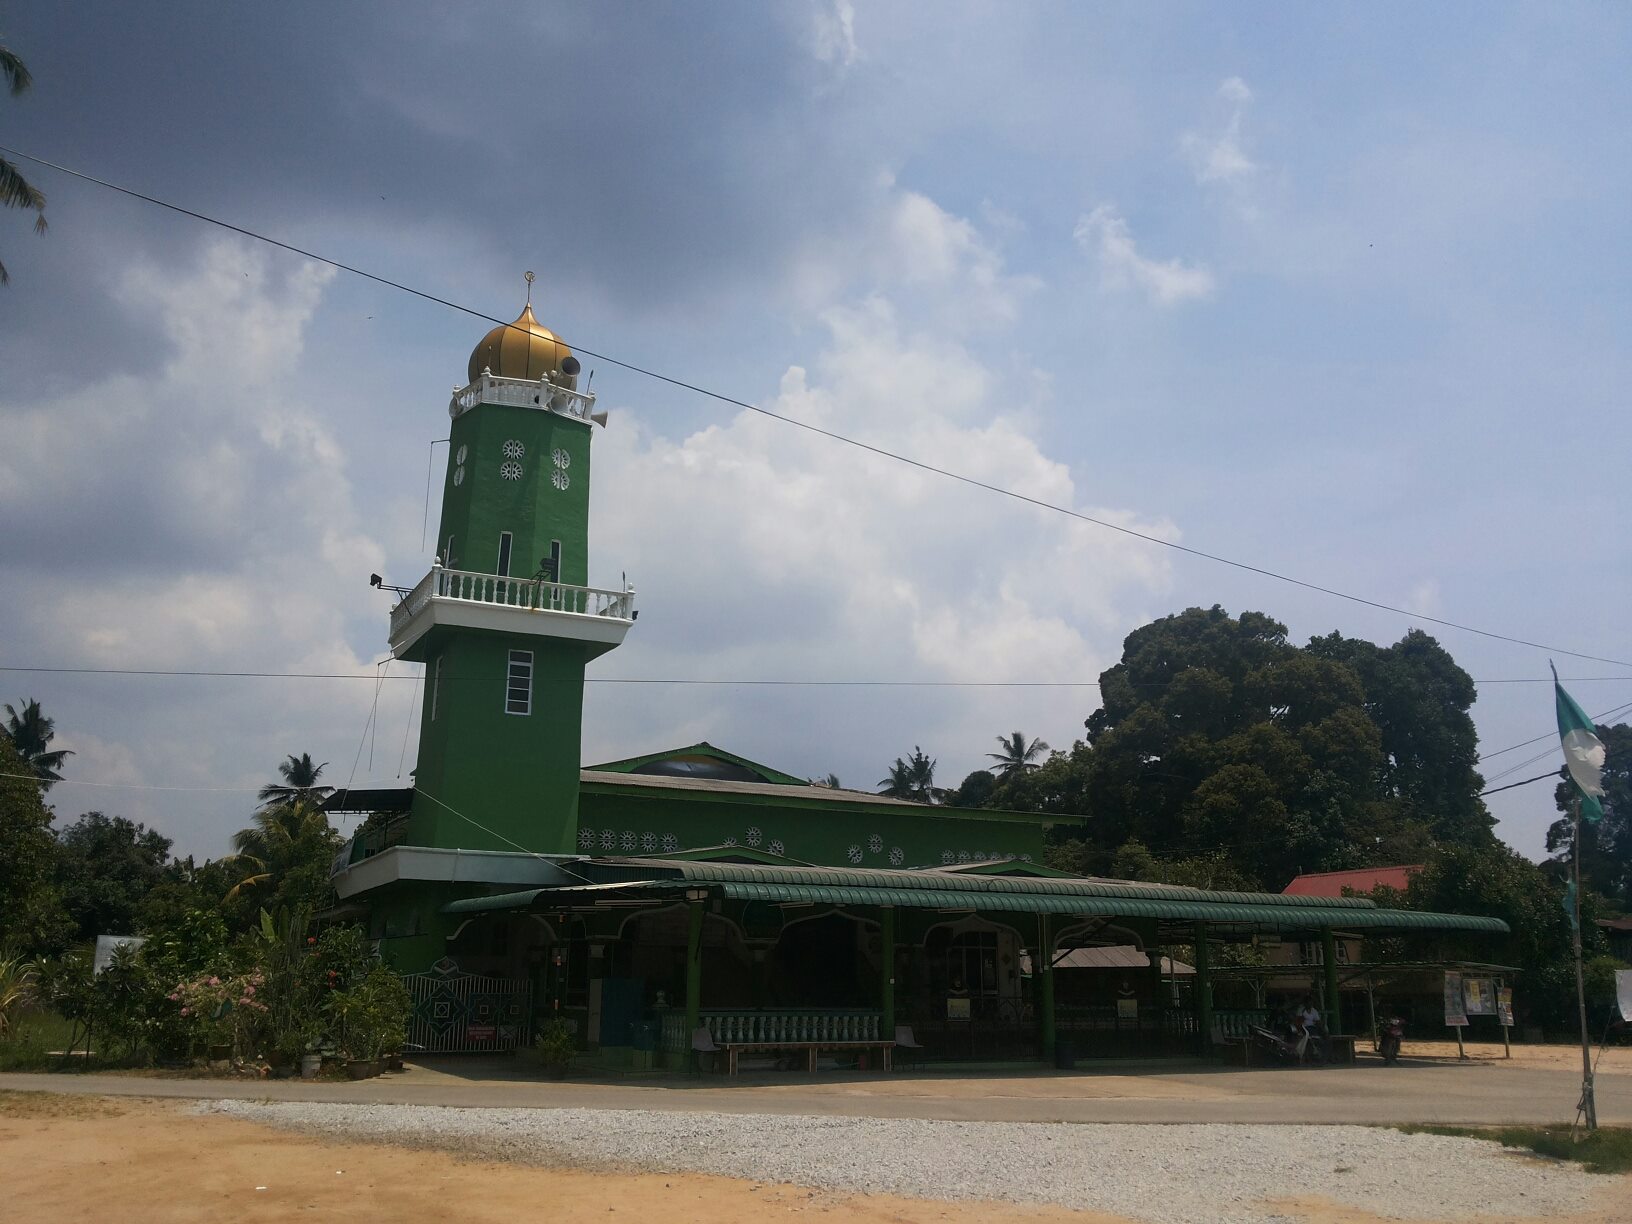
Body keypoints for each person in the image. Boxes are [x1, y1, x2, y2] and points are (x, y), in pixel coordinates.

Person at [1296, 997, 1326, 1064]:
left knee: (1324, 1035)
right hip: (1304, 1028)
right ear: (1305, 1003)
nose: (1310, 1004)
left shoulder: (1314, 1010)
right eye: (1308, 1003)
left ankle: (1322, 1054)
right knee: (1310, 1037)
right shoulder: (1301, 1010)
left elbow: (1318, 1021)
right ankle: (1311, 1055)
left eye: (1311, 1003)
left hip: (1312, 1027)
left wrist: (1322, 1029)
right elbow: (1298, 1022)